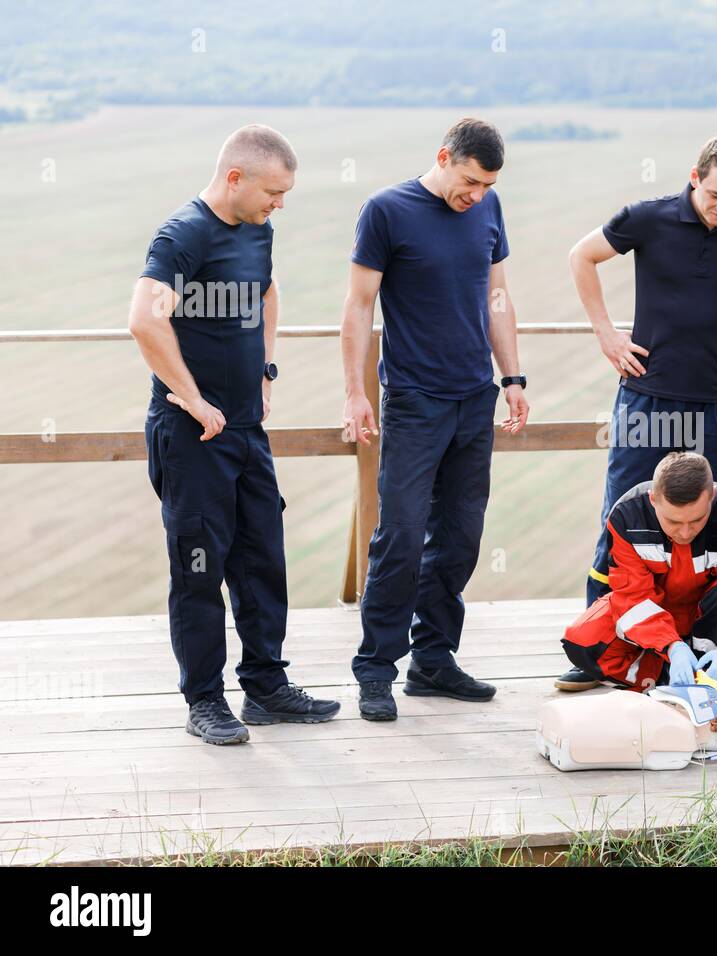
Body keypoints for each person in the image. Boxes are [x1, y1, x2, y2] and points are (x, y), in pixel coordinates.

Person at [128, 124, 339, 745]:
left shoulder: (258, 230)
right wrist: (192, 398)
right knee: (199, 568)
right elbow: (144, 318)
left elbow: (268, 292)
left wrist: (267, 367)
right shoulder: (184, 232)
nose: (281, 204)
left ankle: (267, 687)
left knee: (262, 557)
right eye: (274, 191)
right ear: (235, 177)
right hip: (192, 438)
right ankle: (205, 701)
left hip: (247, 429)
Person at [558, 134, 717, 691]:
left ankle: (693, 650)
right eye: (715, 195)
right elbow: (581, 256)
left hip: (715, 399)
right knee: (622, 515)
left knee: (700, 522)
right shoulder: (646, 218)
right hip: (648, 395)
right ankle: (603, 641)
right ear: (695, 176)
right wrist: (606, 333)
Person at [341, 118, 529, 722]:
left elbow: (496, 296)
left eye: (486, 185)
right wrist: (355, 393)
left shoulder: (489, 206)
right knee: (398, 536)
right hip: (415, 400)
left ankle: (433, 660)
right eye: (469, 181)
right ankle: (376, 670)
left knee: (460, 537)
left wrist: (513, 377)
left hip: (475, 399)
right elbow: (359, 307)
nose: (475, 195)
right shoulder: (386, 211)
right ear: (444, 157)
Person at [562, 453, 717, 692]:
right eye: (673, 521)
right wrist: (671, 646)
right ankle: (664, 678)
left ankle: (708, 678)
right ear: (653, 500)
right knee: (582, 642)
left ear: (712, 497)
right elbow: (631, 598)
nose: (685, 533)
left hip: (713, 614)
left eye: (697, 519)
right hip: (656, 613)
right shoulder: (626, 516)